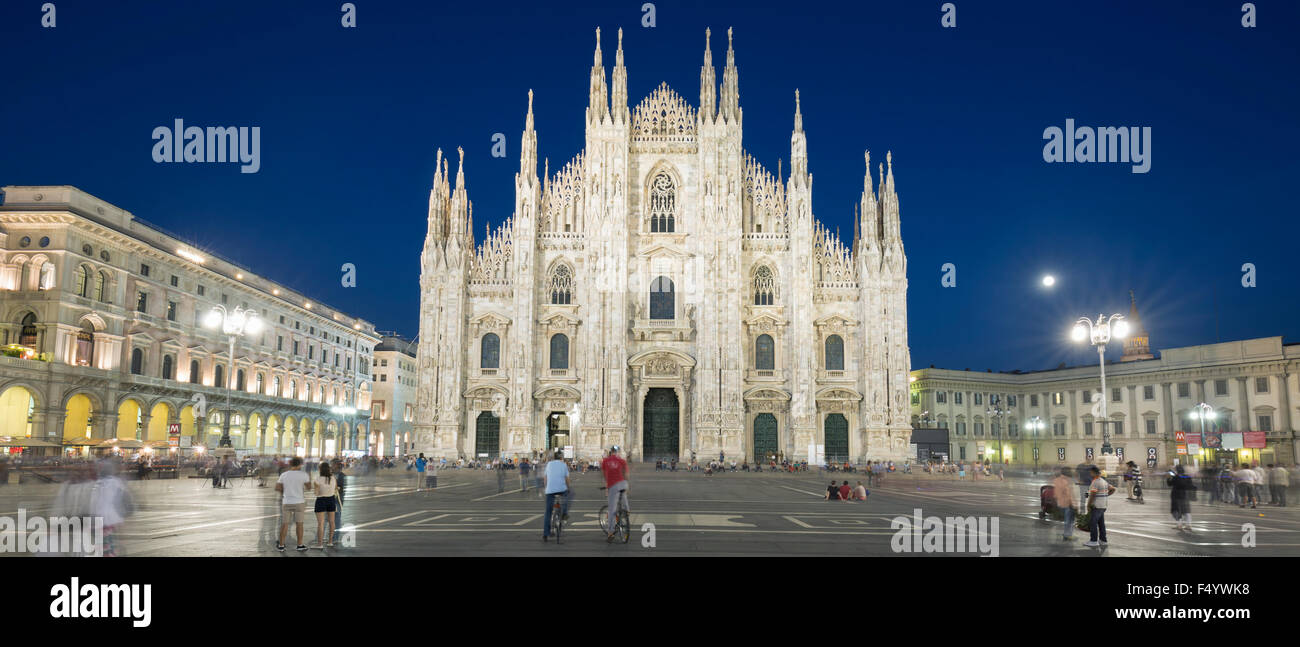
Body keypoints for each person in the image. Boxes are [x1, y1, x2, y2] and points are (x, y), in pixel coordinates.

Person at [276, 457, 312, 552]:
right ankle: (299, 545)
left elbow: (278, 487)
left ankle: (281, 545)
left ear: (291, 464)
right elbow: (309, 487)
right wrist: (309, 477)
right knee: (299, 524)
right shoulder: (303, 475)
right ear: (300, 464)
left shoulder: (284, 475)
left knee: (284, 524)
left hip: (287, 502)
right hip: (299, 502)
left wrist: (285, 493)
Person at [601, 446, 630, 542]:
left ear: (610, 452)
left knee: (612, 510)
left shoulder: (605, 461)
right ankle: (626, 510)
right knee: (623, 491)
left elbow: (605, 475)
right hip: (622, 484)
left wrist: (607, 487)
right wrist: (626, 483)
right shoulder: (622, 461)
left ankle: (610, 533)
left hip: (612, 485)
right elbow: (626, 475)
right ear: (617, 452)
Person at [542, 450, 570, 542]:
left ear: (554, 457)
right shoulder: (564, 465)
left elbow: (545, 478)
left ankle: (546, 534)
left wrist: (546, 488)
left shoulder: (549, 464)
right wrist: (568, 488)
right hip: (562, 490)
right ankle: (564, 513)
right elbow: (567, 479)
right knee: (567, 496)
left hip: (550, 490)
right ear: (561, 457)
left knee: (548, 512)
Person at [1083, 466, 1114, 548]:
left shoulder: (1095, 482)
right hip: (1103, 506)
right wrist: (1105, 495)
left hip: (1096, 506)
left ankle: (1093, 541)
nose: (1090, 474)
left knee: (1093, 523)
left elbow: (1093, 494)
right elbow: (1113, 489)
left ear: (1093, 472)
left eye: (1090, 472)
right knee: (1101, 524)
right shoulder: (1103, 481)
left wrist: (1088, 505)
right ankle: (1103, 540)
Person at [312, 462, 338, 548]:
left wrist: (316, 488)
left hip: (321, 500)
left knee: (321, 523)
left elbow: (316, 493)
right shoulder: (333, 478)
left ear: (320, 469)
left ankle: (320, 544)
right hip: (331, 499)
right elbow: (335, 488)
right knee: (332, 522)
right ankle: (330, 541)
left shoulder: (318, 479)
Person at [1167, 464, 1196, 530]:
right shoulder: (1187, 476)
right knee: (1186, 510)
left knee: (1177, 510)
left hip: (1176, 495)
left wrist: (1170, 477)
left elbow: (1169, 484)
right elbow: (1191, 485)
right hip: (1185, 495)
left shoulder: (1176, 477)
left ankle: (1179, 525)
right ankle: (1188, 525)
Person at [1052, 469, 1076, 541]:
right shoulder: (1066, 482)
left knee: (1066, 519)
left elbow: (1055, 494)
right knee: (1070, 520)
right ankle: (1068, 535)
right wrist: (1073, 504)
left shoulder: (1056, 480)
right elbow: (1069, 494)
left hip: (1060, 503)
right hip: (1068, 503)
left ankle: (1066, 534)